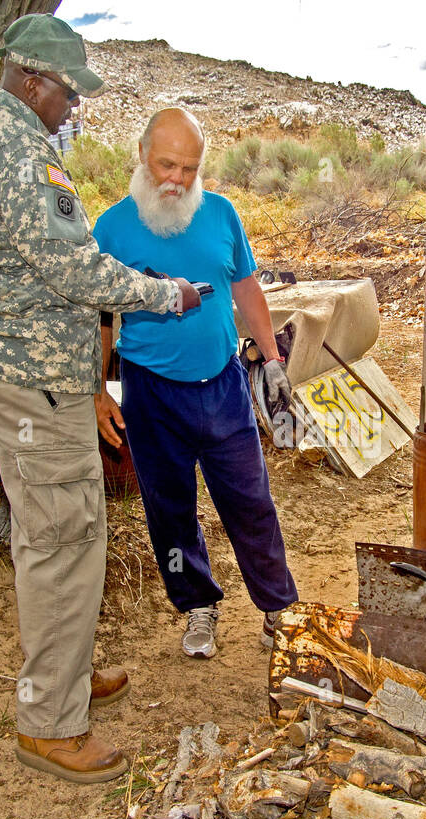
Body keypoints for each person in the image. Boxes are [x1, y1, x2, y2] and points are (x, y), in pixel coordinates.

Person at [0, 14, 202, 783]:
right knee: (60, 545)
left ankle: (65, 672)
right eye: (67, 92)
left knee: (66, 532)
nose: (73, 107)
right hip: (29, 383)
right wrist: (167, 294)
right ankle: (51, 726)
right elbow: (77, 273)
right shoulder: (16, 151)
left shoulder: (3, 141)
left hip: (40, 382)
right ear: (32, 80)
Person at [92, 107, 298, 660]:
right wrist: (95, 390)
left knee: (250, 499)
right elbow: (100, 318)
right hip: (150, 391)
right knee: (169, 507)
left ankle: (277, 607)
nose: (177, 179)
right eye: (166, 165)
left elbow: (247, 288)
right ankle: (197, 605)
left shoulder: (222, 213)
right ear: (141, 154)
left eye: (189, 166)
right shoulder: (110, 228)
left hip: (223, 383)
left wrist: (272, 358)